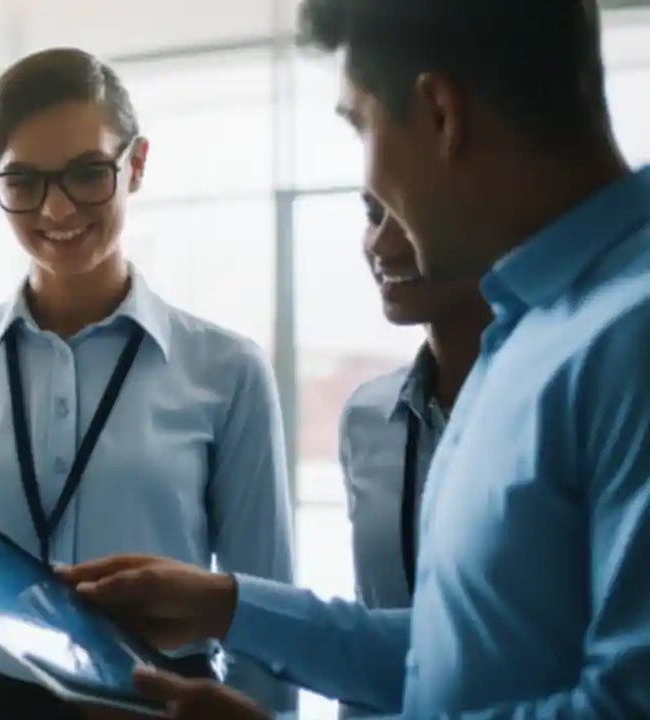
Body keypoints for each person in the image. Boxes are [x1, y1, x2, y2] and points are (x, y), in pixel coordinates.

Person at [62, 0, 650, 717]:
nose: (376, 214)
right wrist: (230, 606)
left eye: (361, 124)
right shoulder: (526, 327)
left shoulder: (628, 337)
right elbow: (452, 658)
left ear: (440, 113)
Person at [0, 47, 296, 720]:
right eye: (23, 181)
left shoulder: (226, 370)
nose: (58, 207)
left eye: (87, 172)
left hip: (163, 698)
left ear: (135, 164)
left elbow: (266, 605)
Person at [340, 195, 491, 613]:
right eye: (374, 215)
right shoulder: (367, 416)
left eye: (412, 217)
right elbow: (373, 626)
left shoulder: (559, 406)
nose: (381, 246)